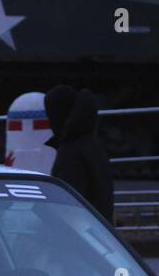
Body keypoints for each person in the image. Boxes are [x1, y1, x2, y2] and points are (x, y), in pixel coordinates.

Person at [43, 85, 114, 223]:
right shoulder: (93, 145)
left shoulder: (70, 152)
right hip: (98, 230)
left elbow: (65, 204)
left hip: (77, 231)